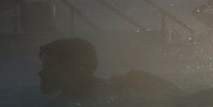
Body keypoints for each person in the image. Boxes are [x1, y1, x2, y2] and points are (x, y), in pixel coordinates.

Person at [38, 37, 180, 100]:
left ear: (80, 69)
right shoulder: (66, 100)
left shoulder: (119, 92)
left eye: (50, 67)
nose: (41, 73)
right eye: (43, 66)